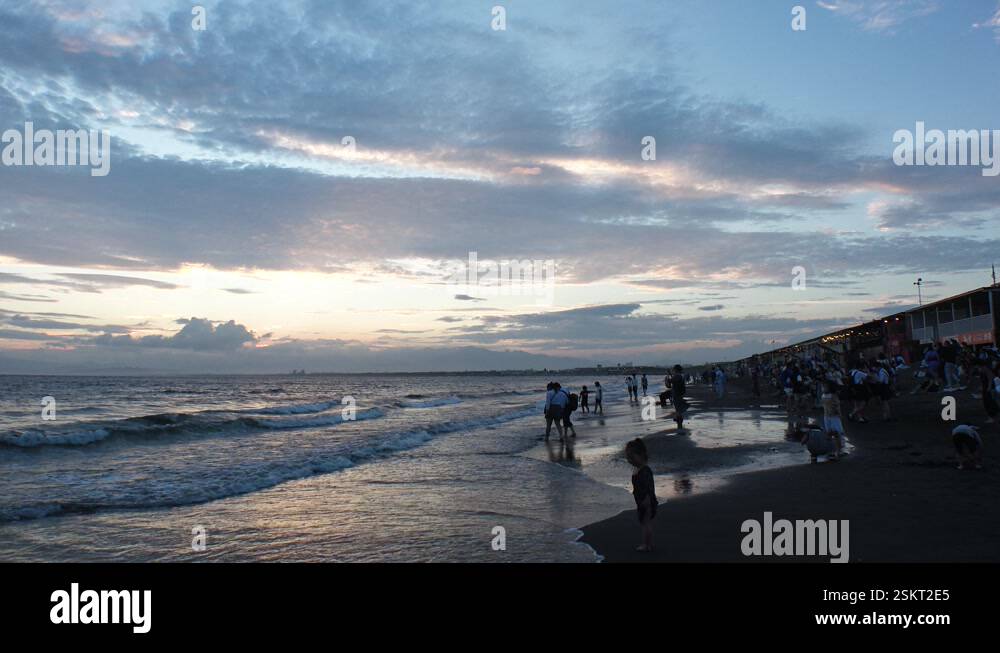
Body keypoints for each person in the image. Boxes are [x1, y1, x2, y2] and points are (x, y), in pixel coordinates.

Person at [626, 438, 657, 552]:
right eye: (628, 458)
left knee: (645, 523)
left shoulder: (645, 471)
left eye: (631, 457)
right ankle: (648, 544)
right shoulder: (638, 469)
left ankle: (646, 544)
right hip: (641, 501)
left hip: (646, 501)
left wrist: (647, 500)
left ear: (640, 455)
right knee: (645, 522)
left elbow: (649, 487)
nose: (629, 460)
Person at [821, 382, 846, 459]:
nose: (823, 388)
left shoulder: (826, 396)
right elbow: (837, 406)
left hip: (831, 416)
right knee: (834, 433)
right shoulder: (830, 396)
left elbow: (837, 407)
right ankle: (837, 450)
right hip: (830, 416)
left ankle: (837, 450)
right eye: (823, 387)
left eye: (824, 387)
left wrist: (839, 414)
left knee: (834, 433)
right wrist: (840, 415)